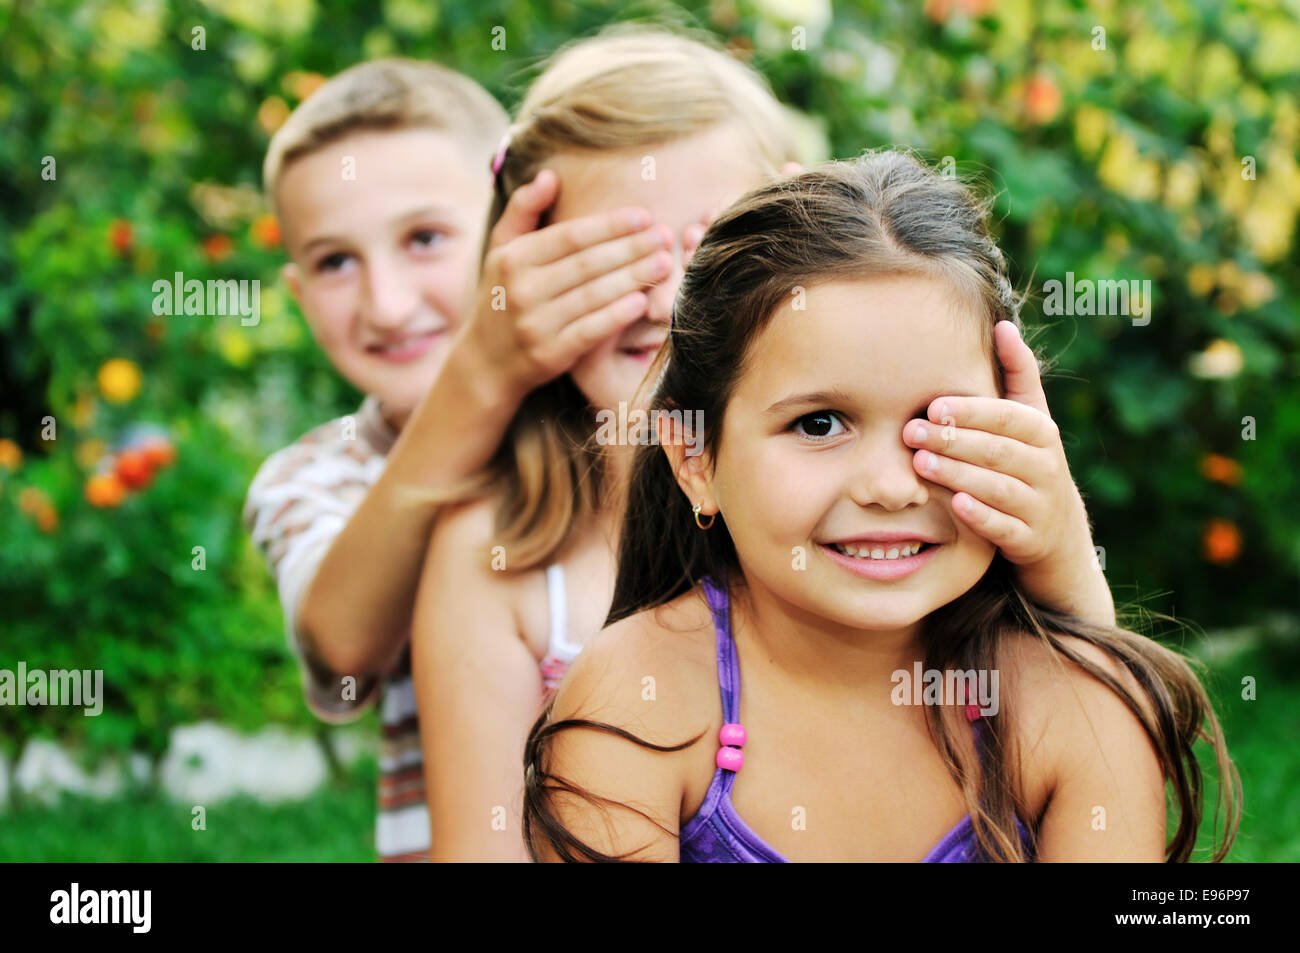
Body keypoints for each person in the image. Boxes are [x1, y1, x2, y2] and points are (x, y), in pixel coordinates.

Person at [412, 30, 1121, 862]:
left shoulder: (1006, 658)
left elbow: (1095, 731)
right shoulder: (584, 640)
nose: (671, 294)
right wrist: (479, 367)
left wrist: (1066, 559)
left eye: (712, 245)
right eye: (609, 256)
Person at [522, 151, 1240, 862]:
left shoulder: (1074, 710)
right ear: (695, 458)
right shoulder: (639, 701)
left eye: (936, 419)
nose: (892, 486)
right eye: (819, 423)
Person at [243, 57, 666, 860]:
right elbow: (341, 647)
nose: (388, 302)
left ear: (518, 233)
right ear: (298, 294)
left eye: (426, 238)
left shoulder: (611, 419)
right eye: (336, 261)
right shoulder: (314, 473)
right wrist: (486, 368)